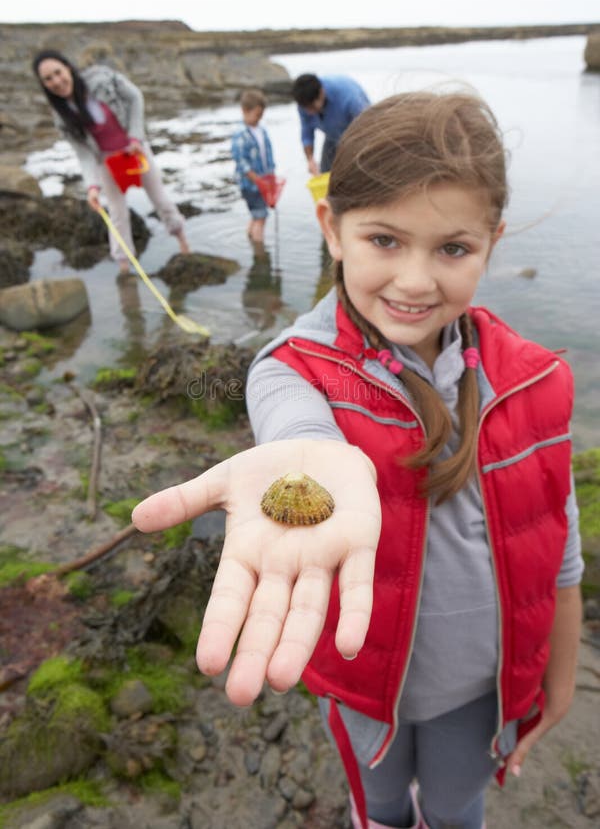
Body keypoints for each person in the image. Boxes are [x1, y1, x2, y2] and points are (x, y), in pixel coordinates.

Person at [132, 91, 583, 829]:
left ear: (492, 241)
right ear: (331, 229)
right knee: (377, 806)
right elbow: (295, 427)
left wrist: (558, 678)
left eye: (453, 249)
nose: (413, 280)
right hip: (362, 680)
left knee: (456, 807)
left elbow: (561, 555)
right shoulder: (295, 370)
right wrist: (311, 457)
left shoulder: (538, 382)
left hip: (484, 688)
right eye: (385, 240)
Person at [32, 50, 190, 274]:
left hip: (135, 151)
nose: (57, 81)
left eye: (58, 73)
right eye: (48, 79)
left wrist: (135, 136)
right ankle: (124, 266)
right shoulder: (62, 117)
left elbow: (135, 97)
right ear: (44, 85)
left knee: (161, 200)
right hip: (107, 161)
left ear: (68, 67)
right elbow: (85, 155)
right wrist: (92, 187)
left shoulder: (103, 79)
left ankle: (184, 244)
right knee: (117, 214)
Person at [292, 72, 370, 175]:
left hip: (360, 134)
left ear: (321, 92)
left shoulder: (351, 98)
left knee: (357, 172)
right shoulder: (304, 103)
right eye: (305, 108)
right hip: (332, 136)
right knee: (326, 173)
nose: (309, 113)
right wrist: (310, 160)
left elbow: (369, 126)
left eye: (312, 107)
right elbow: (307, 133)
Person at [230, 89, 276, 243]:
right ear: (245, 110)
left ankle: (250, 238)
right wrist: (257, 180)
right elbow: (241, 162)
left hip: (263, 182)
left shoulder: (262, 131)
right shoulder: (240, 134)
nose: (259, 118)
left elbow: (268, 155)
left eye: (261, 115)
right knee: (261, 216)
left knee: (256, 215)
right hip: (250, 185)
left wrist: (271, 177)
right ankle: (259, 252)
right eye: (257, 115)